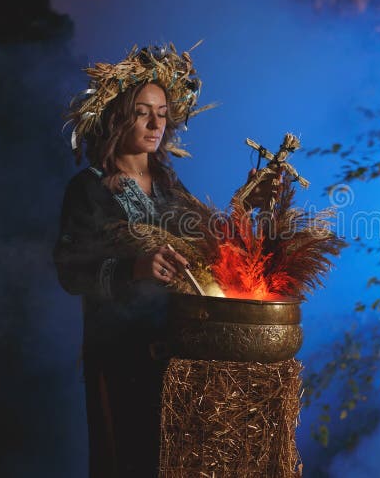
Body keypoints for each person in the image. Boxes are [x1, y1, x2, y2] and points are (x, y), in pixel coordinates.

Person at [53, 44, 273, 477]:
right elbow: (69, 269)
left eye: (163, 112)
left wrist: (249, 207)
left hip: (180, 353)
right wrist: (133, 269)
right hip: (120, 355)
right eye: (142, 112)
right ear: (118, 116)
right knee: (128, 462)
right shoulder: (89, 189)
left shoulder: (170, 187)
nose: (156, 123)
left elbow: (211, 253)